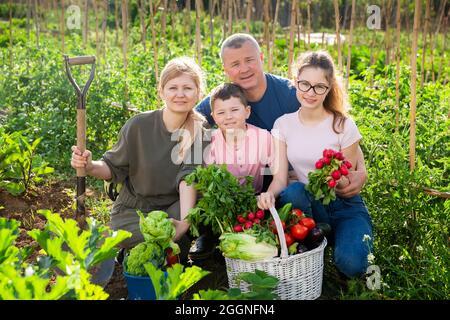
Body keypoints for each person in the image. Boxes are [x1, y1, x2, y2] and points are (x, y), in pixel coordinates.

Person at [196, 33, 367, 198]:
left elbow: (338, 125)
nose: (244, 69)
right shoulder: (223, 100)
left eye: (249, 60)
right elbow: (189, 121)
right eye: (235, 64)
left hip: (296, 184)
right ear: (225, 69)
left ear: (261, 58)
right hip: (256, 189)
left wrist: (361, 170)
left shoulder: (291, 94)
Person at [70, 57, 207, 262]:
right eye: (173, 88)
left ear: (198, 93)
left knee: (196, 211)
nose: (180, 94)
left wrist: (184, 224)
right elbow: (112, 167)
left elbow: (189, 180)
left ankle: (159, 249)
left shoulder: (200, 134)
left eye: (187, 88)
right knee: (138, 235)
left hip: (173, 209)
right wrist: (89, 166)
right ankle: (156, 249)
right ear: (161, 92)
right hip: (133, 211)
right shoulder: (139, 125)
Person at [257, 50, 373, 278]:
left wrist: (345, 176)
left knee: (352, 265)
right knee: (293, 191)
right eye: (305, 84)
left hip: (344, 205)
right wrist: (268, 195)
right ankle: (317, 238)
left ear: (329, 88)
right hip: (309, 206)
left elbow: (345, 181)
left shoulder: (343, 125)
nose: (311, 92)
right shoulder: (283, 125)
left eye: (319, 87)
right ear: (295, 83)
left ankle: (345, 238)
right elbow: (280, 178)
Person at [205, 82, 274, 194]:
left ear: (247, 112)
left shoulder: (263, 137)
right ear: (214, 118)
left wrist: (268, 195)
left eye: (234, 110)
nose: (228, 117)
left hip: (255, 200)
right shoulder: (210, 142)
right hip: (222, 200)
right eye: (221, 112)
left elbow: (279, 175)